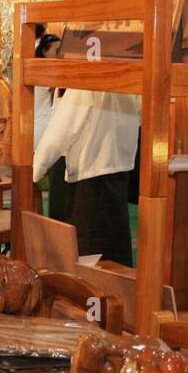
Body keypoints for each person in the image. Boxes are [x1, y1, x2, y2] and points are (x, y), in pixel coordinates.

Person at [33, 86, 140, 267]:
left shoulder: (87, 77)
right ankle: (116, 294)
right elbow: (140, 114)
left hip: (91, 176)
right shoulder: (125, 75)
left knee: (90, 253)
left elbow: (63, 128)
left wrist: (35, 169)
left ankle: (95, 294)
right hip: (119, 171)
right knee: (115, 250)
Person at [32, 33, 70, 223]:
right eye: (56, 50)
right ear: (45, 51)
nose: (60, 54)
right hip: (44, 127)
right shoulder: (45, 71)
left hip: (40, 124)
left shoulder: (38, 67)